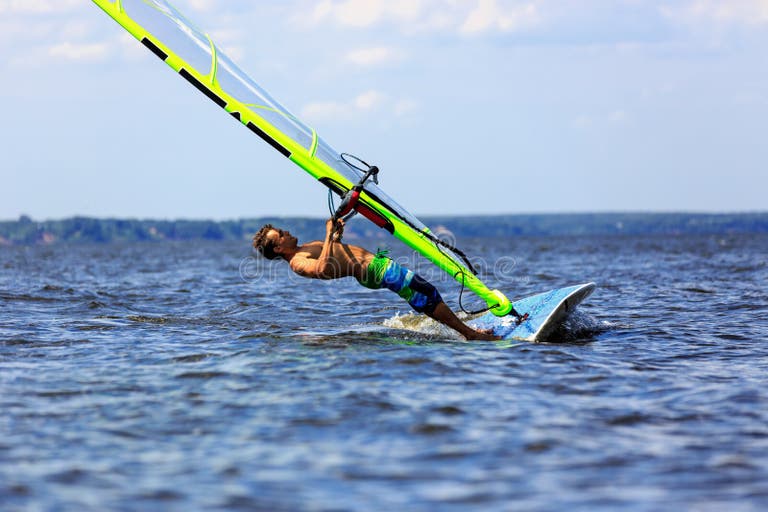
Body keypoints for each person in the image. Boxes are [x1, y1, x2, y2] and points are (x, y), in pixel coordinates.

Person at [252, 218, 499, 341]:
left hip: (375, 265)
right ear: (277, 249)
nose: (285, 233)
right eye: (281, 235)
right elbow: (322, 268)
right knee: (427, 293)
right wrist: (328, 235)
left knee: (423, 294)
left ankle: (466, 331)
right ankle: (470, 334)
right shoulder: (297, 262)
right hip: (373, 270)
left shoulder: (303, 247)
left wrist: (336, 236)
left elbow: (334, 253)